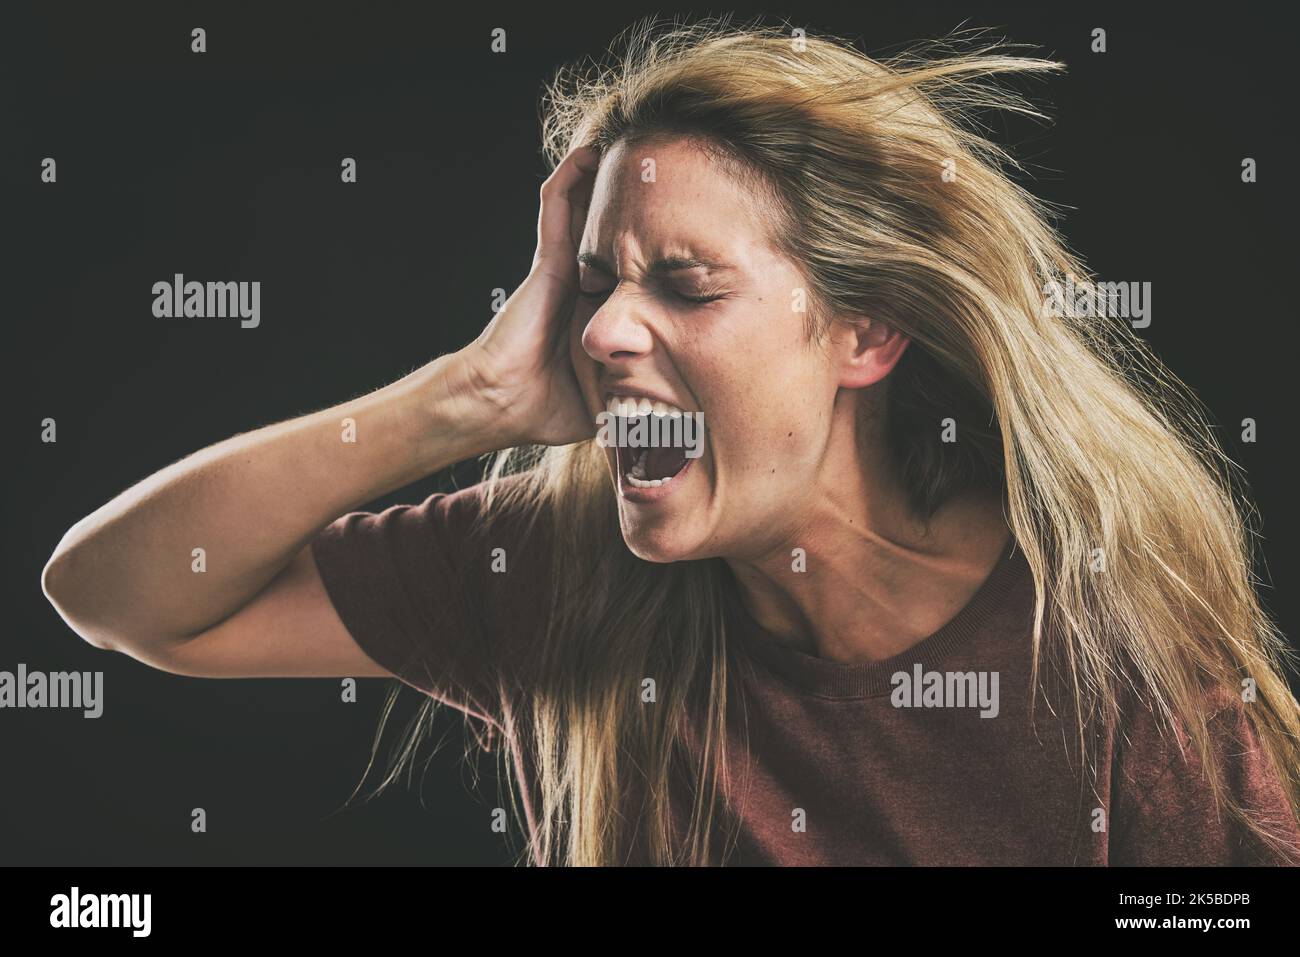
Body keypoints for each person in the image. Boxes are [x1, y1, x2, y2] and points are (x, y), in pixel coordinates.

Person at [42, 19, 1300, 866]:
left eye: (686, 286)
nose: (602, 335)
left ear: (864, 333)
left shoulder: (1116, 683)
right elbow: (123, 597)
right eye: (596, 285)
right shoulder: (551, 566)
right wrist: (465, 400)